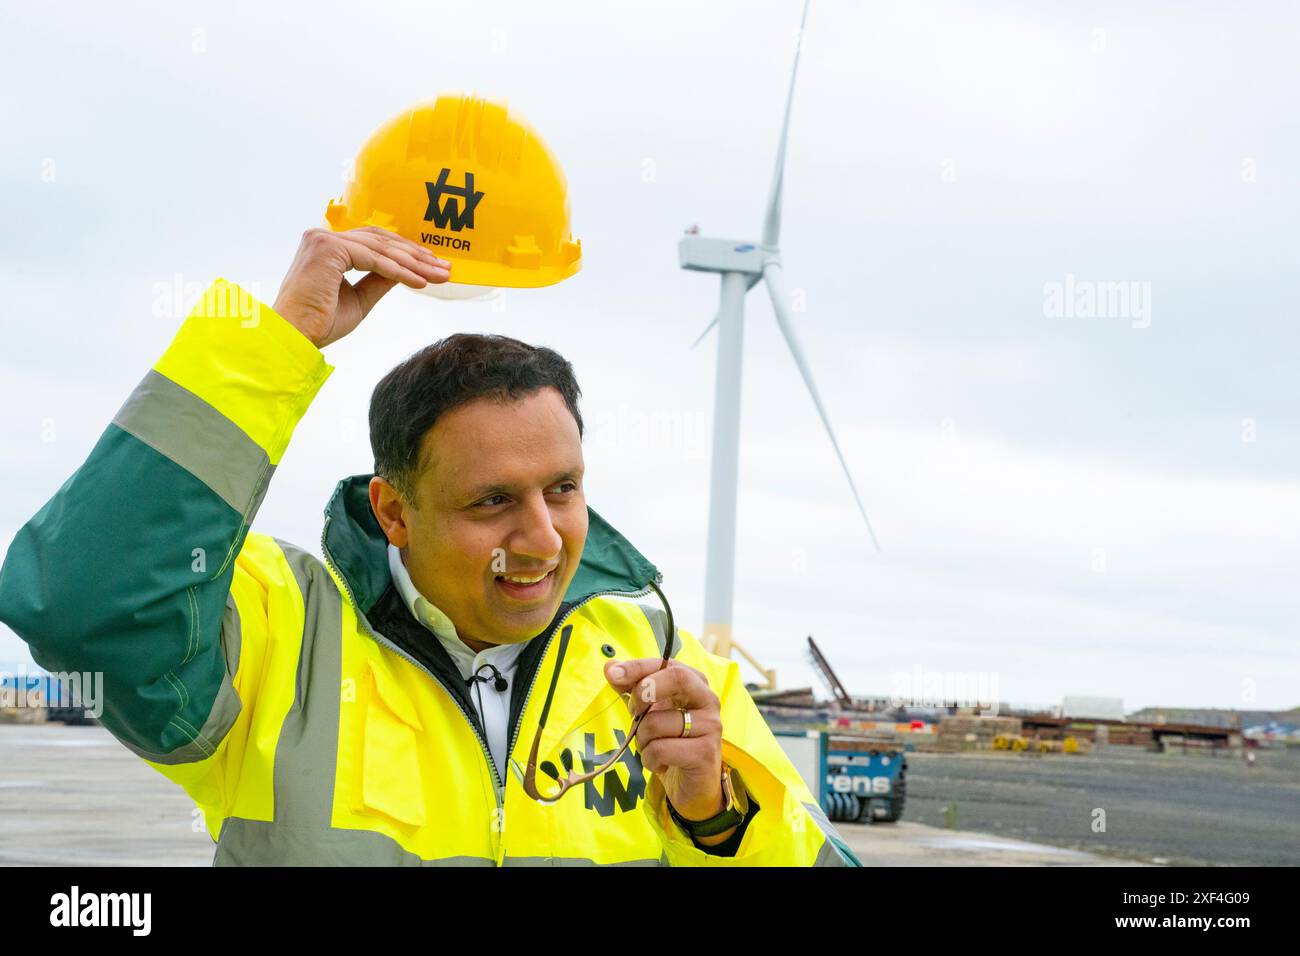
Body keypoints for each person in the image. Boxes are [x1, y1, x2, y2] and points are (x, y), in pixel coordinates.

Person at [0, 226, 860, 866]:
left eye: (562, 489)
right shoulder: (282, 633)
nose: (541, 539)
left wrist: (716, 817)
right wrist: (271, 348)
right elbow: (82, 604)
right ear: (394, 512)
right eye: (491, 502)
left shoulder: (666, 662)